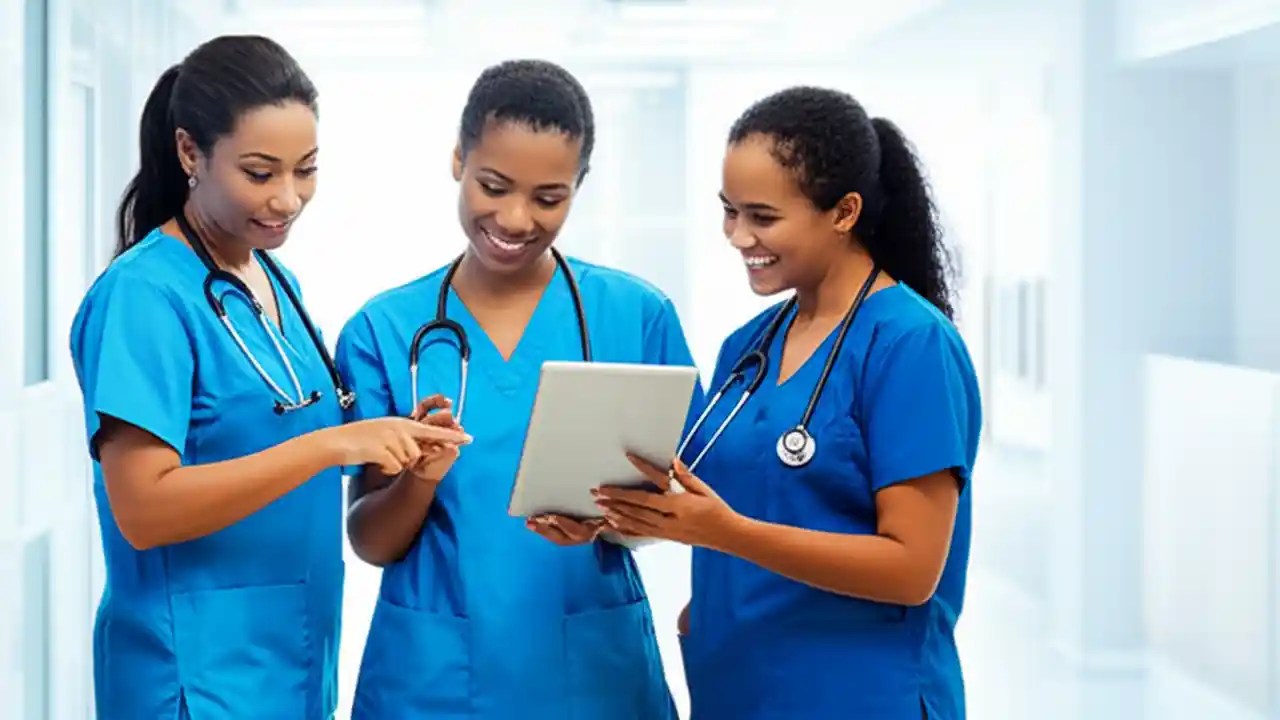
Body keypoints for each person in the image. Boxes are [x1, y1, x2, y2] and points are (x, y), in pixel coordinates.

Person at [68, 35, 470, 720]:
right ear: (191, 152)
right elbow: (143, 509)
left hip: (290, 668)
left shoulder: (271, 279)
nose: (288, 199)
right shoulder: (143, 295)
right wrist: (331, 447)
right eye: (259, 173)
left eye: (305, 170)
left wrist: (396, 449)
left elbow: (288, 439)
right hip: (192, 676)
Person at [595, 86, 982, 719]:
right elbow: (719, 506)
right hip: (740, 690)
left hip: (855, 696)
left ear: (844, 211)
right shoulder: (747, 348)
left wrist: (733, 537)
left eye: (763, 217)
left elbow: (912, 568)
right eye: (728, 211)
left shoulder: (910, 346)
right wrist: (611, 521)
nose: (737, 235)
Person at [335, 59, 699, 719]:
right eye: (494, 185)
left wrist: (614, 522)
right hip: (435, 683)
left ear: (579, 187)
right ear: (458, 160)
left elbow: (688, 504)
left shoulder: (636, 315)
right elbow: (369, 541)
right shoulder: (383, 329)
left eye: (548, 197)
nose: (515, 217)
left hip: (593, 676)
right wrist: (419, 479)